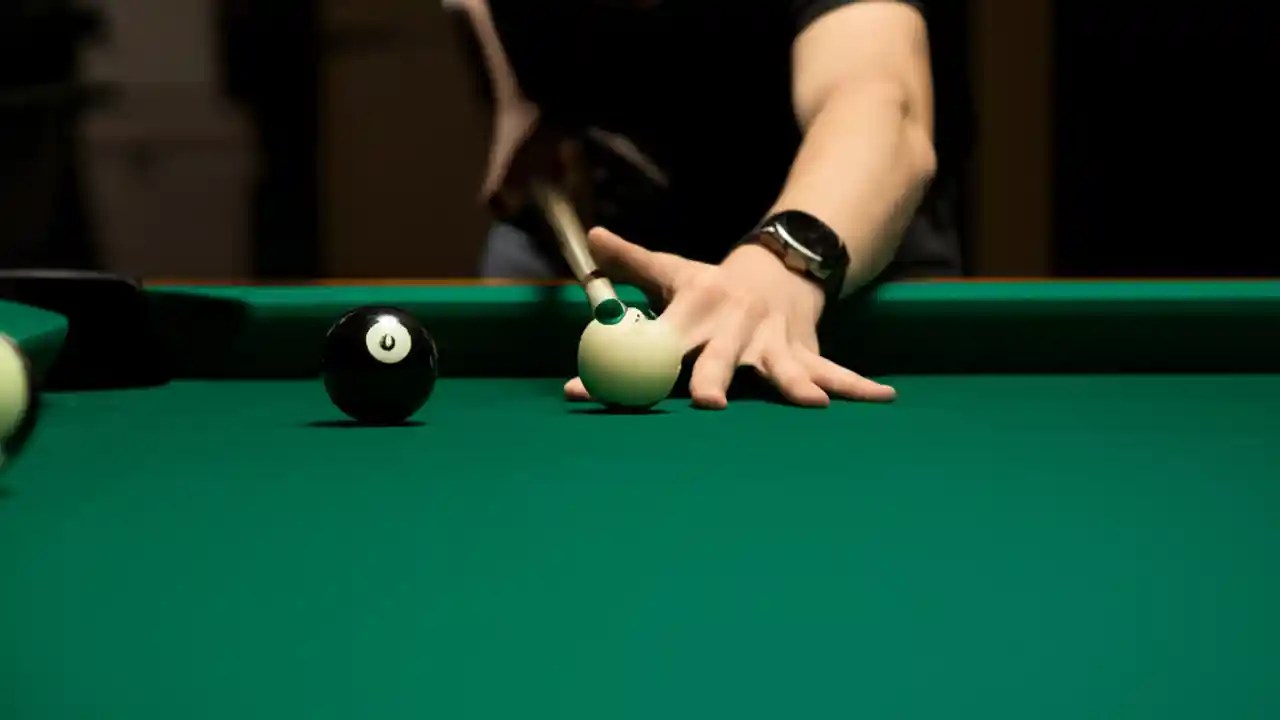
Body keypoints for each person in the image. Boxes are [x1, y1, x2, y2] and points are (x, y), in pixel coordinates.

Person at [444, 0, 967, 410]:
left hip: (836, 243)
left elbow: (876, 102)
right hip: (612, 233)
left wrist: (782, 259)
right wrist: (517, 105)